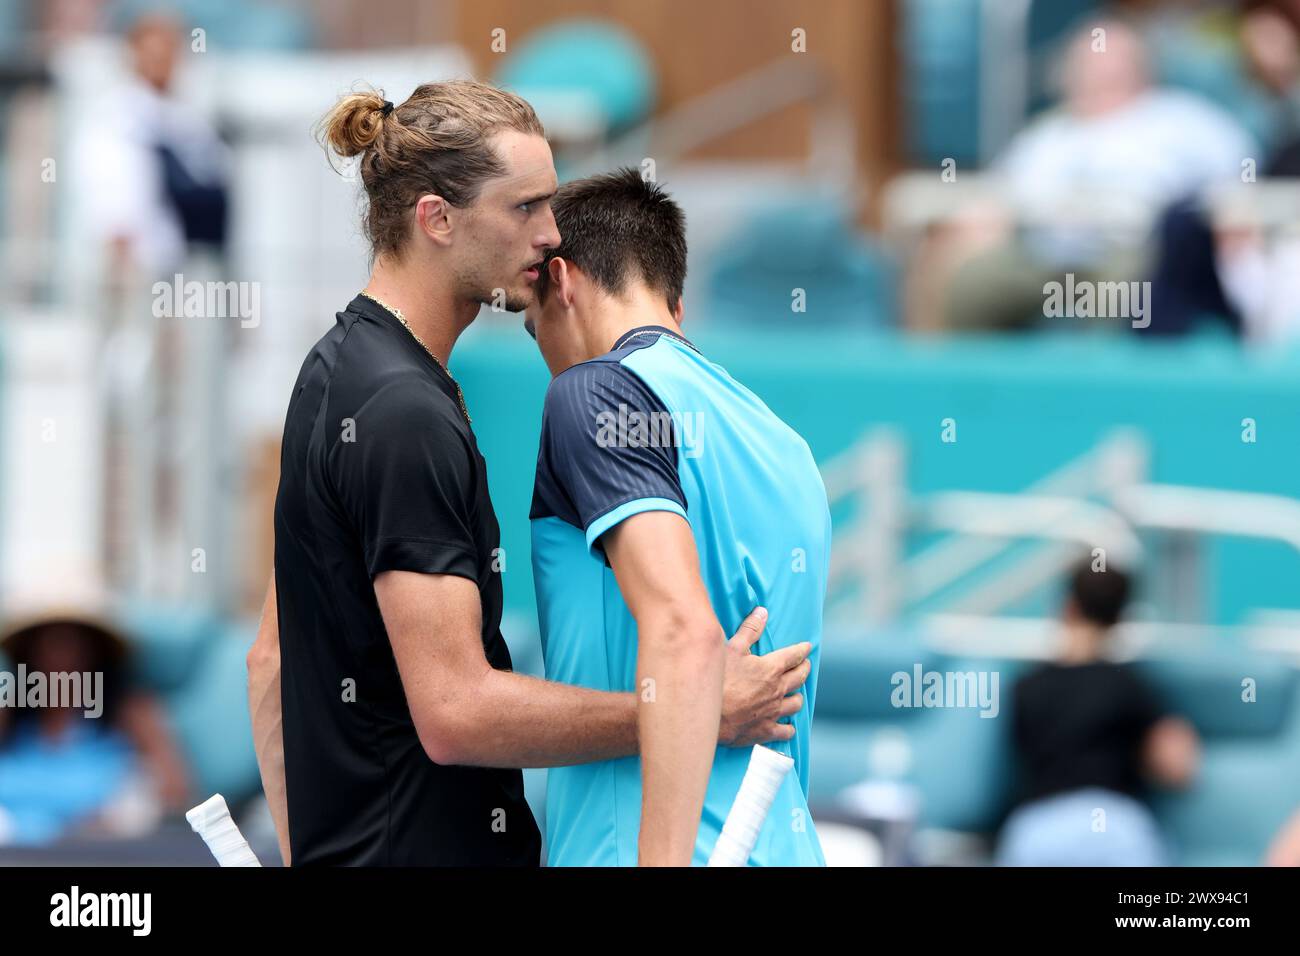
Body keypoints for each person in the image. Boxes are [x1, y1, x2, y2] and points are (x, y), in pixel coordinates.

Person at [247, 82, 810, 866]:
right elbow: (455, 714)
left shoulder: (334, 374)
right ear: (436, 219)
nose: (552, 237)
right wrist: (692, 710)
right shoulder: (403, 414)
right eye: (525, 208)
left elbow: (270, 663)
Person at [523, 169, 827, 866]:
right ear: (676, 303)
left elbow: (683, 631)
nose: (542, 353)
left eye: (533, 325)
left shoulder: (591, 392)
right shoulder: (787, 447)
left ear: (562, 281)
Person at [997, 560, 1200, 866]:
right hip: (1115, 826)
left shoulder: (1025, 687)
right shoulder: (1130, 685)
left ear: (1068, 607)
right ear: (1120, 619)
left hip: (1038, 829)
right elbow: (1177, 768)